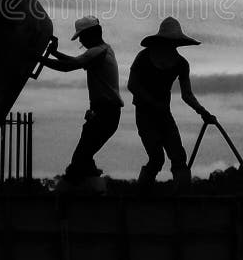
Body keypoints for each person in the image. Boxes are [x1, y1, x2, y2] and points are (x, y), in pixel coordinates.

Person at [128, 17, 216, 193]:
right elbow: (132, 85)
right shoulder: (144, 56)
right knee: (156, 158)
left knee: (178, 157)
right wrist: (152, 102)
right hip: (145, 115)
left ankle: (181, 199)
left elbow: (187, 95)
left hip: (164, 116)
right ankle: (139, 198)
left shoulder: (181, 64)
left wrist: (203, 112)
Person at [40, 16, 123, 184]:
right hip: (105, 112)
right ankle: (91, 184)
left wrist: (37, 58)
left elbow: (67, 67)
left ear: (89, 35)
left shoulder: (97, 52)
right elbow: (74, 62)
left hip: (105, 113)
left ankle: (81, 197)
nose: (82, 41)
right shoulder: (105, 50)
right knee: (84, 157)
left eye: (82, 37)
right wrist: (54, 53)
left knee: (80, 159)